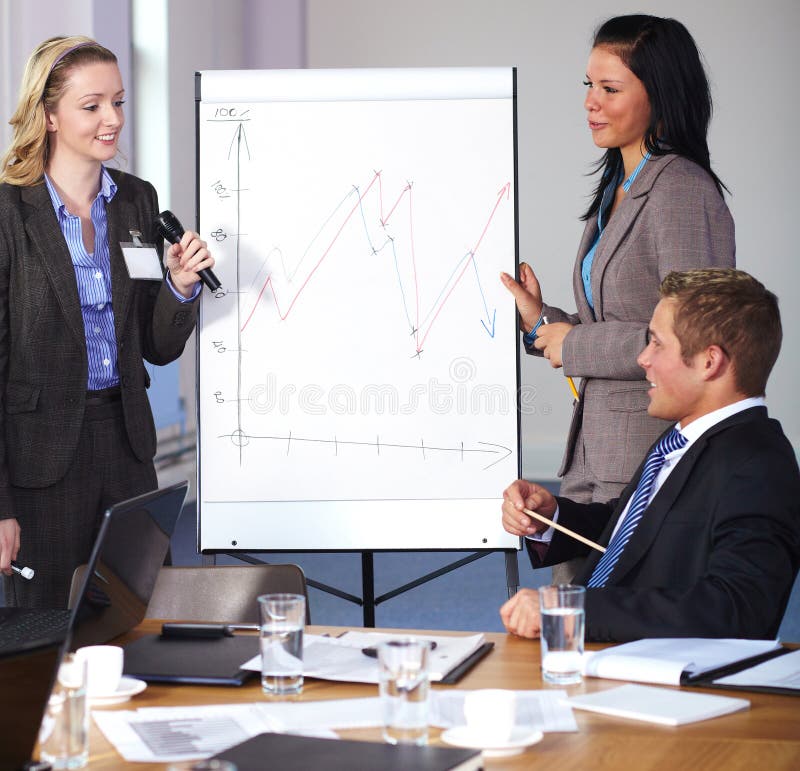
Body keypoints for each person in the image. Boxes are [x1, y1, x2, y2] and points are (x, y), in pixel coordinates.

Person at [500, 14, 735, 583]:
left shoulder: (680, 191)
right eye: (588, 86)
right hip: (595, 466)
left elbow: (693, 339)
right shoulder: (618, 188)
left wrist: (574, 343)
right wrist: (542, 321)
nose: (591, 103)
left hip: (646, 461)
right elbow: (618, 321)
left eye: (610, 89)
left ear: (660, 95)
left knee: (607, 639)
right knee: (575, 636)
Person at [0, 36, 214, 608]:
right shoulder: (8, 212)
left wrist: (179, 287)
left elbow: (155, 346)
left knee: (138, 617)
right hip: (37, 464)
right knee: (45, 637)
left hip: (126, 445)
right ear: (48, 115)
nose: (112, 119)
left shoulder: (137, 202)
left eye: (117, 102)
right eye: (92, 106)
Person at [500, 268, 800, 642]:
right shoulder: (681, 439)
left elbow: (737, 609)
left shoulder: (758, 466)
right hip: (596, 654)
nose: (643, 359)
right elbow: (635, 530)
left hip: (644, 678)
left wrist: (572, 609)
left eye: (656, 343)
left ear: (710, 362)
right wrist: (552, 517)